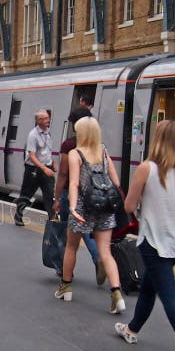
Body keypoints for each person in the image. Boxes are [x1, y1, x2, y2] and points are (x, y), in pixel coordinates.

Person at [116, 120, 175, 351]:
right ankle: (131, 330)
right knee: (148, 287)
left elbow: (129, 206)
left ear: (157, 139)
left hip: (154, 242)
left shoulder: (146, 168)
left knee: (169, 295)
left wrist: (146, 199)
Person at [55, 116, 125, 314]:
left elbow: (74, 183)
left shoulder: (75, 154)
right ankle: (116, 295)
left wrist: (73, 207)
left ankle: (66, 288)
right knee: (106, 253)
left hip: (84, 209)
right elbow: (116, 182)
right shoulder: (103, 151)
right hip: (104, 207)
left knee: (71, 247)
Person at [53, 106, 105, 284]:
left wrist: (57, 197)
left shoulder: (69, 146)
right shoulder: (98, 146)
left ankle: (64, 271)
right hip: (94, 194)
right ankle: (98, 257)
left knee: (69, 237)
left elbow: (63, 174)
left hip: (72, 195)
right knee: (89, 231)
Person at [15, 109, 56, 225]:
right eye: (45, 118)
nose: (48, 120)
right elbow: (32, 156)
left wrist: (52, 162)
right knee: (27, 194)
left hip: (46, 168)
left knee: (49, 195)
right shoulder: (33, 135)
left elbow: (46, 151)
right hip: (33, 170)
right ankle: (18, 215)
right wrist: (44, 168)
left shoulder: (48, 133)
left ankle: (52, 220)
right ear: (38, 121)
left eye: (48, 118)